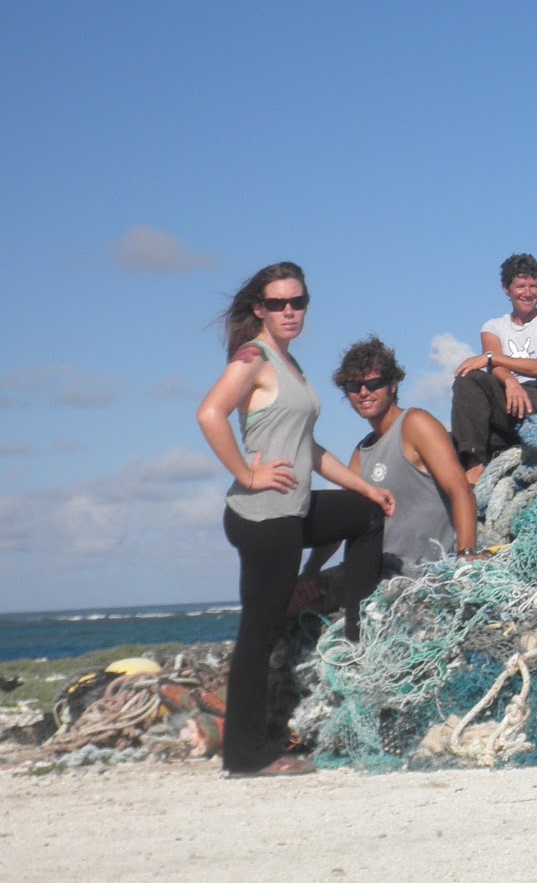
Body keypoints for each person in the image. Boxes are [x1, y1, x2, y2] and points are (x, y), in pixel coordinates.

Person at [196, 261, 395, 777]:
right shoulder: (254, 356)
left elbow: (308, 449)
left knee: (365, 514)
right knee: (258, 633)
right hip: (265, 517)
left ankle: (355, 633)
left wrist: (365, 486)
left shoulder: (291, 365)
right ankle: (245, 756)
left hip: (293, 511)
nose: (290, 311)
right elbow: (209, 413)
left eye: (297, 302)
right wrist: (246, 472)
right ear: (259, 309)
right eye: (278, 303)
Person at [304, 336, 484, 581]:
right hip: (372, 571)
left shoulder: (415, 424)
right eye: (354, 387)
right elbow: (341, 524)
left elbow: (460, 490)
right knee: (290, 600)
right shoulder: (361, 451)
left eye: (374, 383)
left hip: (422, 572)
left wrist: (467, 554)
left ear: (393, 384)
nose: (364, 393)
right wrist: (309, 573)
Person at [452, 253, 537, 485]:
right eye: (520, 286)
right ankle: (473, 465)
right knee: (468, 378)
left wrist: (490, 359)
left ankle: (475, 470)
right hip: (509, 401)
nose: (527, 293)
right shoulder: (493, 327)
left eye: (533, 286)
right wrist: (510, 381)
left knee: (478, 376)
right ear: (506, 289)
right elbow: (493, 367)